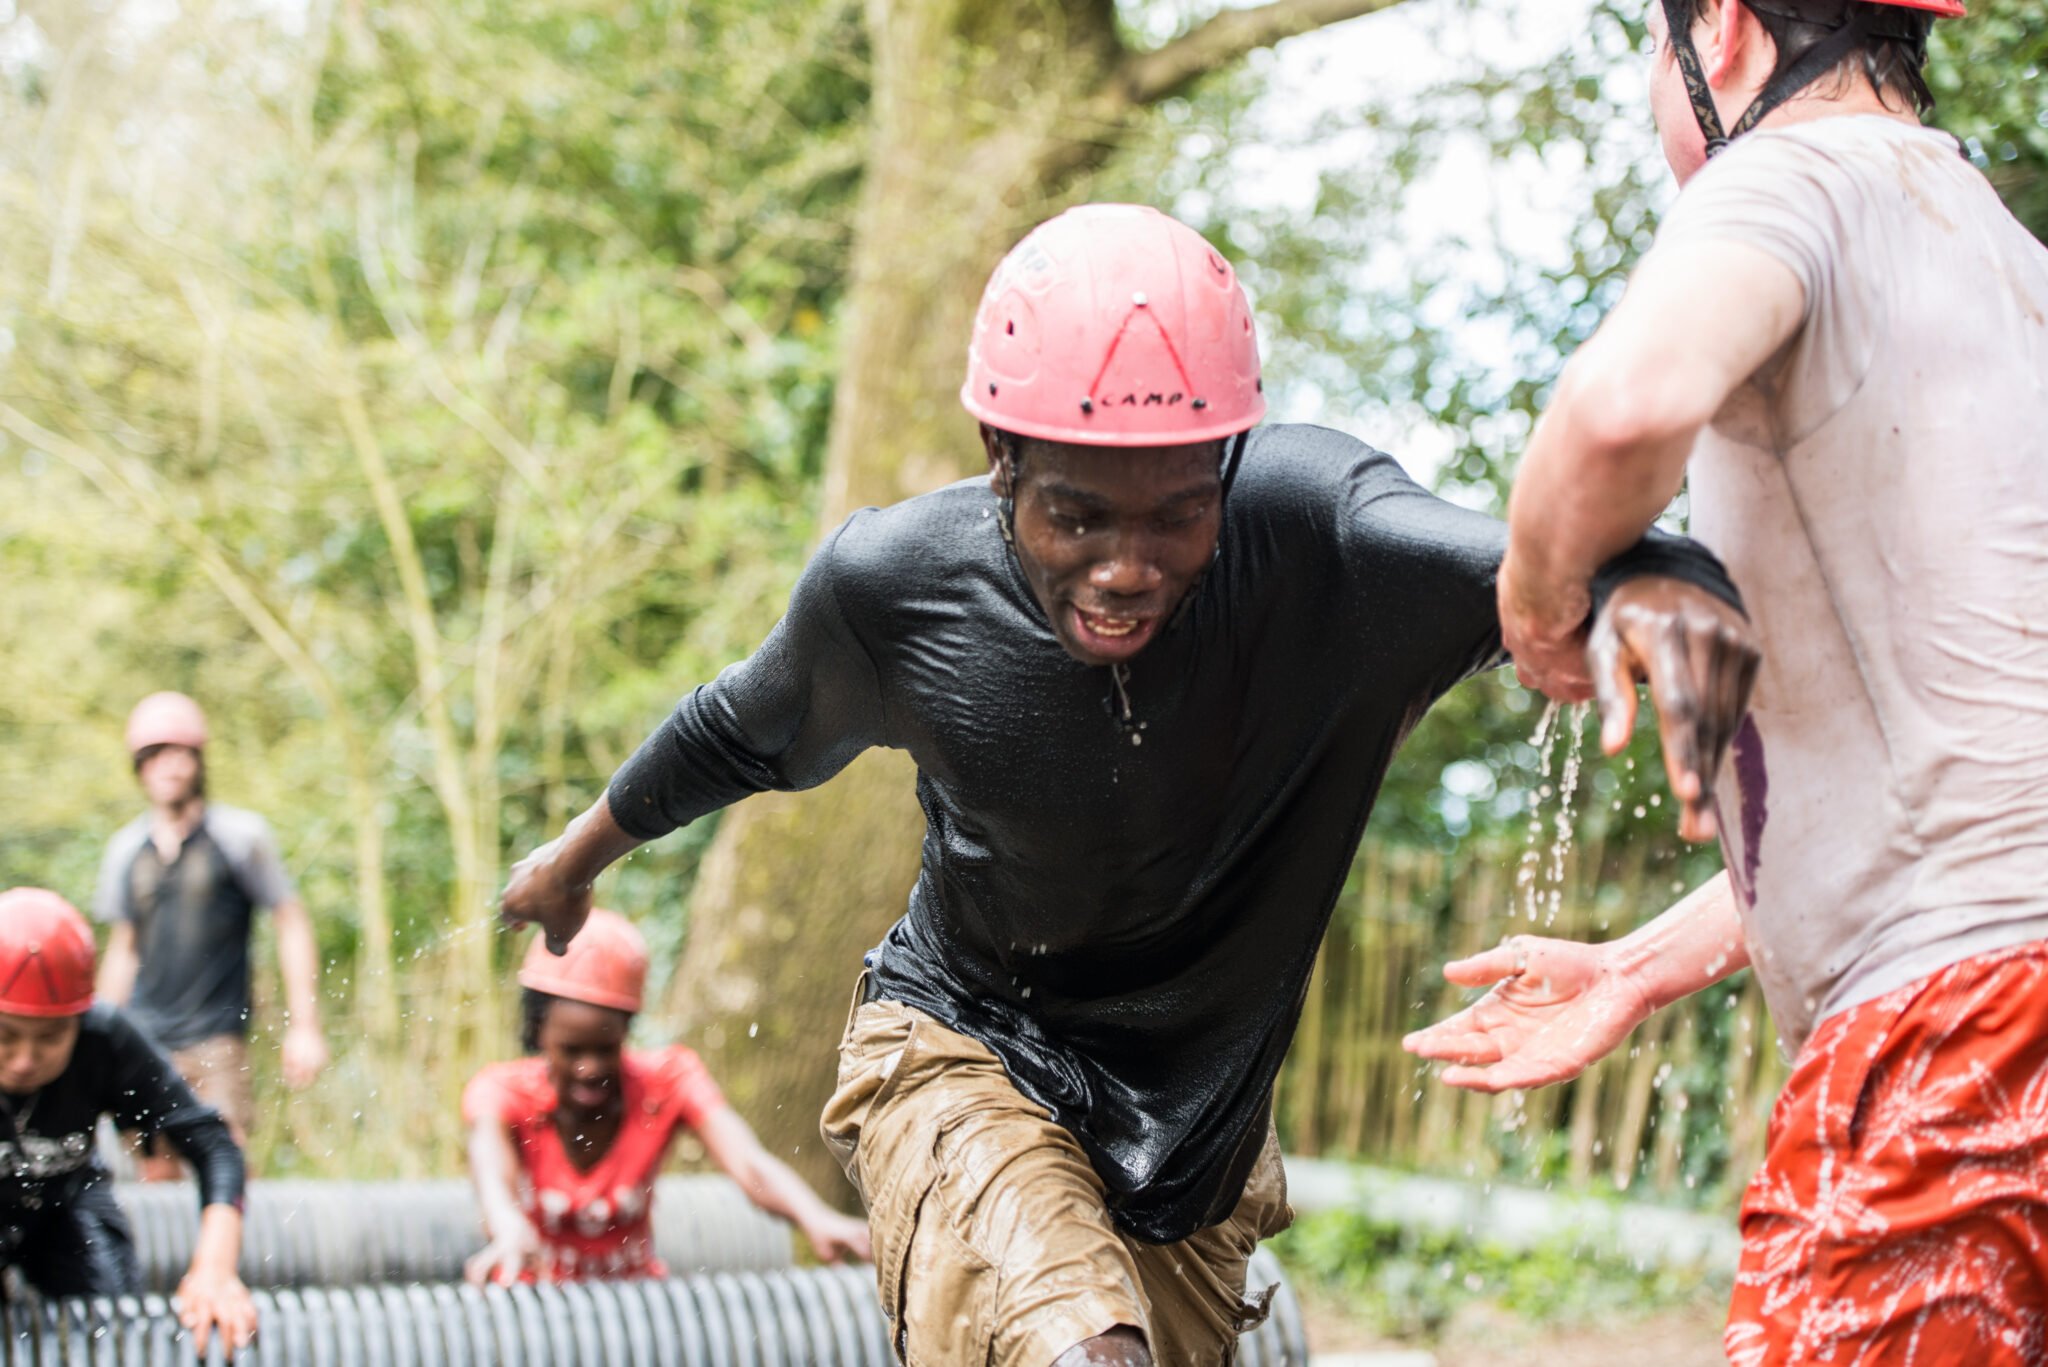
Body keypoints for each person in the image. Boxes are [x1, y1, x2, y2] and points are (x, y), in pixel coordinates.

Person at [500, 204, 1758, 1365]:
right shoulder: (895, 587)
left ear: (1229, 456)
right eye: (1075, 516)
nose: (1126, 567)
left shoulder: (1322, 542)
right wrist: (574, 860)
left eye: (1175, 515)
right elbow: (737, 728)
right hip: (962, 1045)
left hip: (1195, 1134)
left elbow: (1547, 563)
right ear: (999, 456)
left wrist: (1663, 590)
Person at [1403, 0, 2048, 1358]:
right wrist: (1636, 965)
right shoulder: (2008, 264)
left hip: (1954, 1042)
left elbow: (1622, 405)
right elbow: (1962, 790)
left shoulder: (1788, 173)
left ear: (1729, 35)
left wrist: (1536, 599)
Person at [463, 908, 871, 1284]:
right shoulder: (503, 1091)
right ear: (538, 1034)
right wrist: (506, 1224)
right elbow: (489, 1162)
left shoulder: (666, 1082)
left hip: (641, 1314)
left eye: (604, 1049)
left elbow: (750, 1164)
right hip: (531, 1311)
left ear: (626, 1032)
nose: (589, 1068)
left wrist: (814, 1216)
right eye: (571, 1051)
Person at [0, 887, 256, 1355]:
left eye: (50, 1038)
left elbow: (215, 1147)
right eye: (5, 1036)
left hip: (65, 1208)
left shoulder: (105, 1039)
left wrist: (215, 1269)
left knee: (113, 1334)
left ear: (77, 1021)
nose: (24, 1060)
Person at [93, 691, 328, 1177]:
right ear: (139, 767)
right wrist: (95, 1038)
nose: (170, 767)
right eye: (156, 756)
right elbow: (124, 948)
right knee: (154, 1174)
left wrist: (304, 1025)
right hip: (145, 1037)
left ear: (199, 760)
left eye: (181, 754)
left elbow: (290, 920)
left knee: (225, 1160)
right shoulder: (125, 851)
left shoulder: (240, 837)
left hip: (218, 1038)